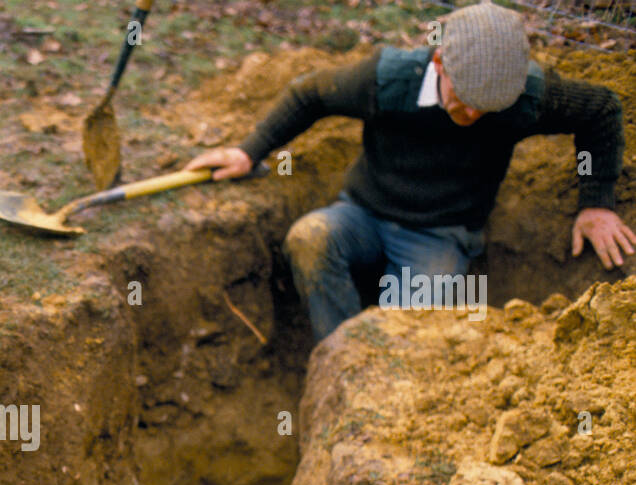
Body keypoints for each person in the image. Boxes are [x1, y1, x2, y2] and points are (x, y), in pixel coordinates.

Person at [187, 1, 633, 341]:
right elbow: (310, 95)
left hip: (441, 234)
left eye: (488, 104)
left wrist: (596, 204)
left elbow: (600, 111)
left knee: (402, 329)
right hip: (362, 214)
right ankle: (336, 356)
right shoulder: (389, 81)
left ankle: (377, 377)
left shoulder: (525, 98)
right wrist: (249, 152)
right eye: (467, 96)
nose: (474, 112)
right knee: (309, 239)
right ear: (440, 63)